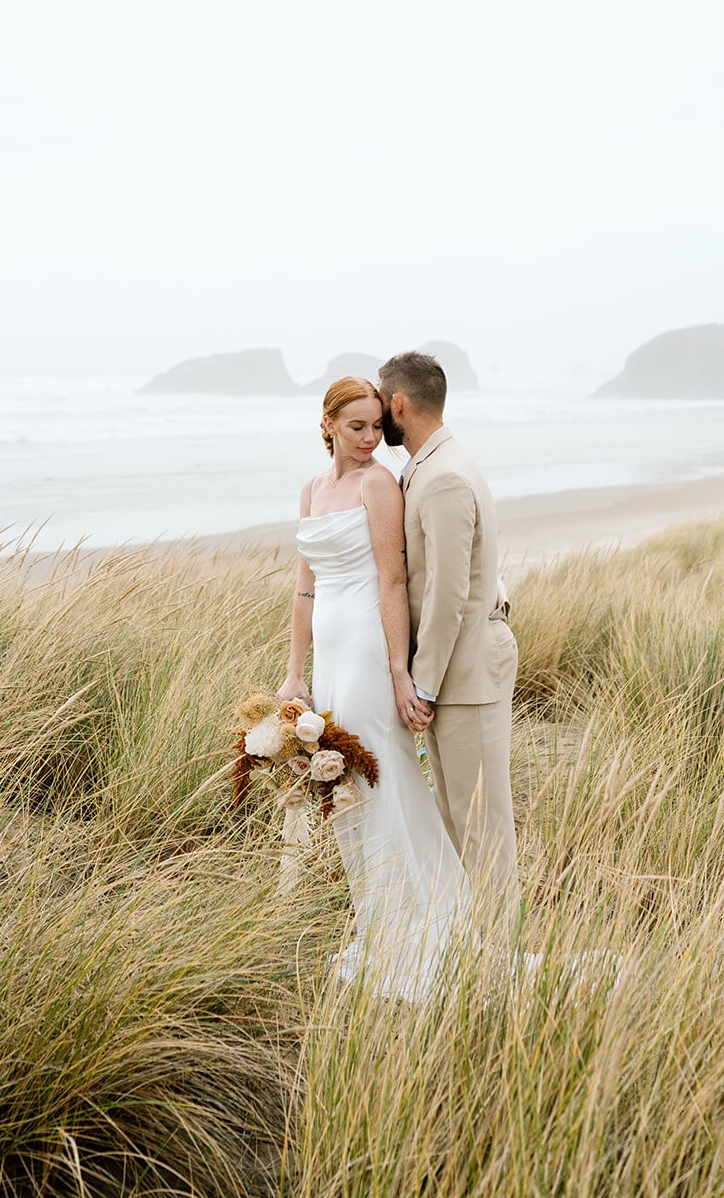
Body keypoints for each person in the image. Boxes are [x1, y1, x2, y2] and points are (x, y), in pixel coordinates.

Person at [277, 375, 468, 997]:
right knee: (344, 783)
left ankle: (418, 928)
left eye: (375, 426)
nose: (370, 439)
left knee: (371, 775)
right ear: (328, 423)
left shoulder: (378, 484)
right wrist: (294, 671)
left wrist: (398, 670)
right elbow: (305, 588)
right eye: (355, 427)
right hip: (328, 656)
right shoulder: (311, 488)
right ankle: (380, 919)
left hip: (366, 649)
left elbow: (392, 581)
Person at [376, 351, 519, 913]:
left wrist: (423, 682)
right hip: (458, 667)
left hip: (466, 672)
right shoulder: (430, 466)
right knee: (457, 818)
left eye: (382, 403)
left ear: (399, 404)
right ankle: (470, 946)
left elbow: (449, 592)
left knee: (482, 826)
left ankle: (503, 957)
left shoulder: (444, 477)